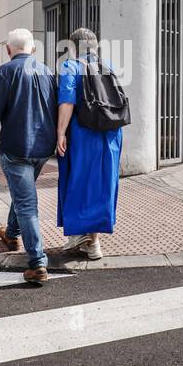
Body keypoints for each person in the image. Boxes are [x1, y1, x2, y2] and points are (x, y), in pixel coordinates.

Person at [0, 28, 57, 284]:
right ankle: (11, 234)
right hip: (43, 147)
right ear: (33, 49)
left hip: (16, 147)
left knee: (26, 203)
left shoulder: (5, 71)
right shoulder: (46, 72)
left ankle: (37, 262)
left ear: (8, 50)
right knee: (24, 192)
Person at [55, 28, 122, 261]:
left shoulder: (70, 66)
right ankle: (89, 240)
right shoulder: (109, 66)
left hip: (83, 134)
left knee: (78, 179)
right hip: (110, 134)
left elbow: (66, 101)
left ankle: (86, 238)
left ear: (73, 47)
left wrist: (60, 132)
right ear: (95, 46)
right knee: (102, 184)